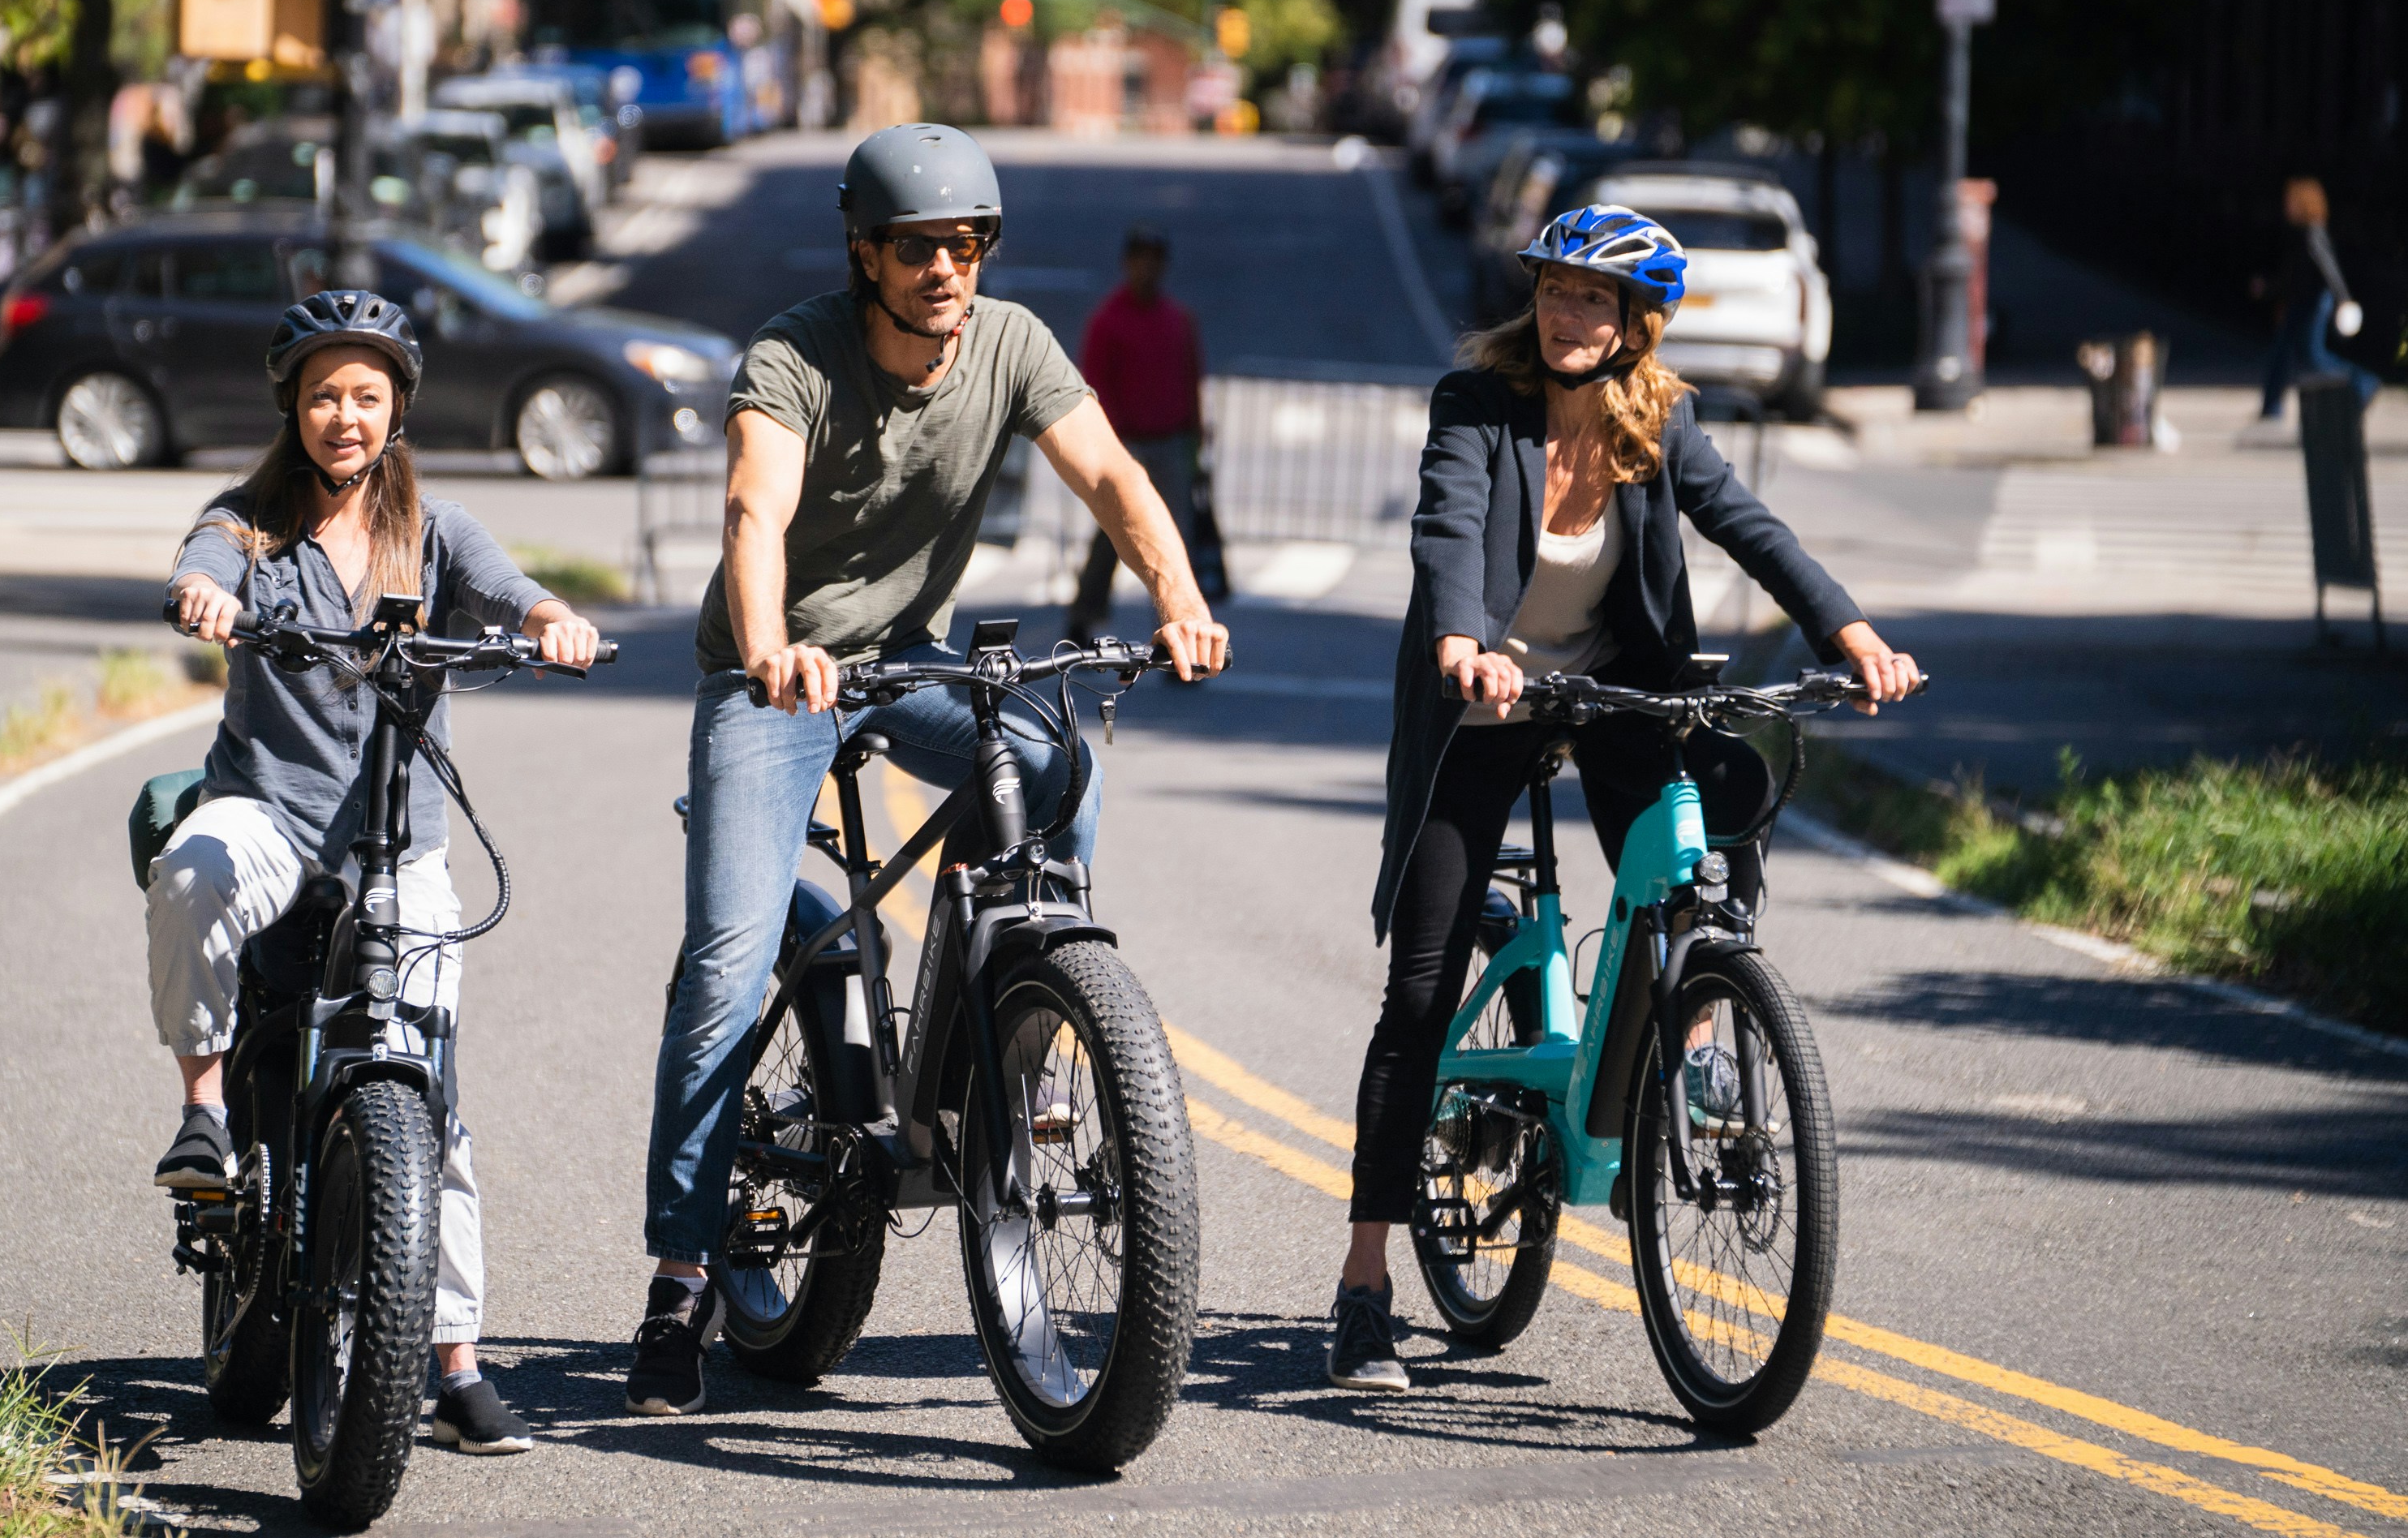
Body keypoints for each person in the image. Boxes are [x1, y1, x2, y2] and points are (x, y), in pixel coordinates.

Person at [625, 124, 1232, 1417]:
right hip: (771, 675)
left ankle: (1008, 1002)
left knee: (1057, 761)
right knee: (732, 965)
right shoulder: (793, 355)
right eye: (918, 248)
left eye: (966, 244)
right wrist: (772, 641)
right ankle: (680, 1276)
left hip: (903, 659)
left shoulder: (1010, 344)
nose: (947, 268)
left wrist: (1178, 597)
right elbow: (754, 513)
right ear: (866, 252)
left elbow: (1114, 474)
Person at [1323, 206, 1921, 1394]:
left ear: (1640, 324)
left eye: (1594, 301)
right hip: (1482, 704)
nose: (1566, 314)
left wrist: (1848, 629)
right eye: (1554, 291)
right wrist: (1460, 644)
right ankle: (1364, 1282)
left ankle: (1693, 1025)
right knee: (1423, 990)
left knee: (1696, 871)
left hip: (1613, 699)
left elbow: (1751, 528)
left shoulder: (1665, 424)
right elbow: (1446, 533)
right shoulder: (1477, 407)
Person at [156, 290, 604, 1454]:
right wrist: (205, 593)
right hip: (269, 818)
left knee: (431, 1097)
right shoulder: (247, 523)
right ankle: (205, 1112)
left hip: (400, 847)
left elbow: (511, 588)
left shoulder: (435, 529)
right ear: (293, 409)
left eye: (364, 395)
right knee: (191, 868)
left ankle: (452, 1363)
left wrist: (552, 619)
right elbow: (200, 559)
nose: (342, 417)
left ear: (395, 406)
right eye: (322, 396)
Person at [1063, 223, 1219, 643]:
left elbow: (1191, 378)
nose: (1147, 267)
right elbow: (1093, 386)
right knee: (1113, 536)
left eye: (1154, 259)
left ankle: (1179, 630)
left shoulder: (1178, 319)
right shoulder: (1108, 320)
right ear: (1128, 262)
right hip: (1126, 445)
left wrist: (1197, 438)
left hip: (1170, 442)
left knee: (1176, 539)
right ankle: (1085, 613)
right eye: (1140, 258)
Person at [2256, 177, 2378, 420]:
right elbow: (2293, 278)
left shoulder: (2313, 233)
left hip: (2312, 304)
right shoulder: (2300, 234)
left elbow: (2328, 268)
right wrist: (2272, 290)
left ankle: (2363, 383)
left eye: (2291, 201)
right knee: (2283, 354)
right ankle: (2271, 406)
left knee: (2314, 357)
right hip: (2299, 303)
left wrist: (2343, 299)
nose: (2287, 207)